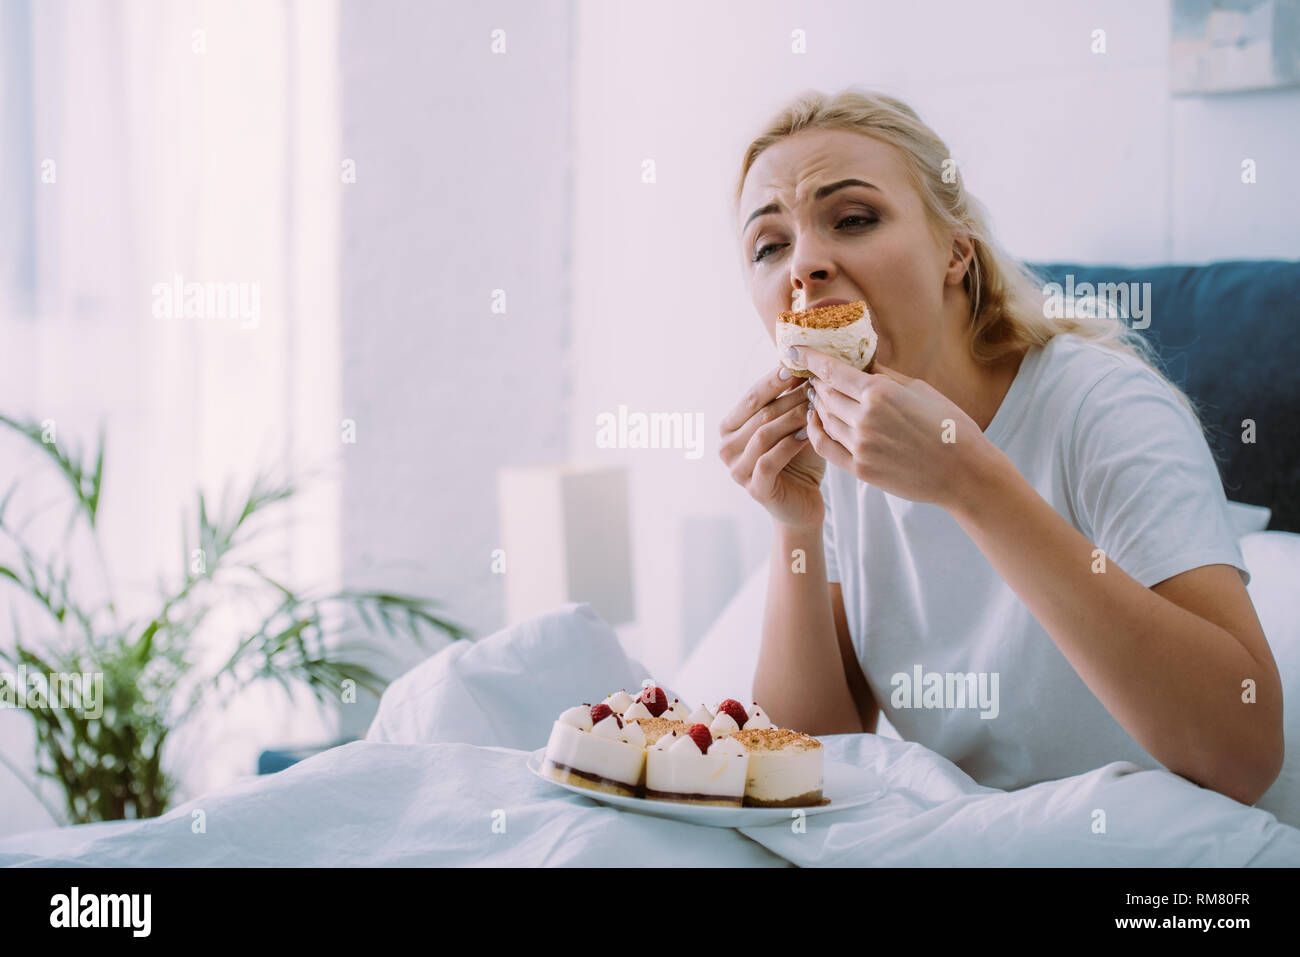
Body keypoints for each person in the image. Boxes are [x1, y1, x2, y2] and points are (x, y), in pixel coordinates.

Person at [720, 88, 1283, 805]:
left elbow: (1244, 752)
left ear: (956, 251)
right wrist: (795, 523)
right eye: (770, 245)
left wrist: (971, 481)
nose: (804, 264)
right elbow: (813, 766)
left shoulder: (1103, 408)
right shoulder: (838, 450)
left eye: (853, 218)